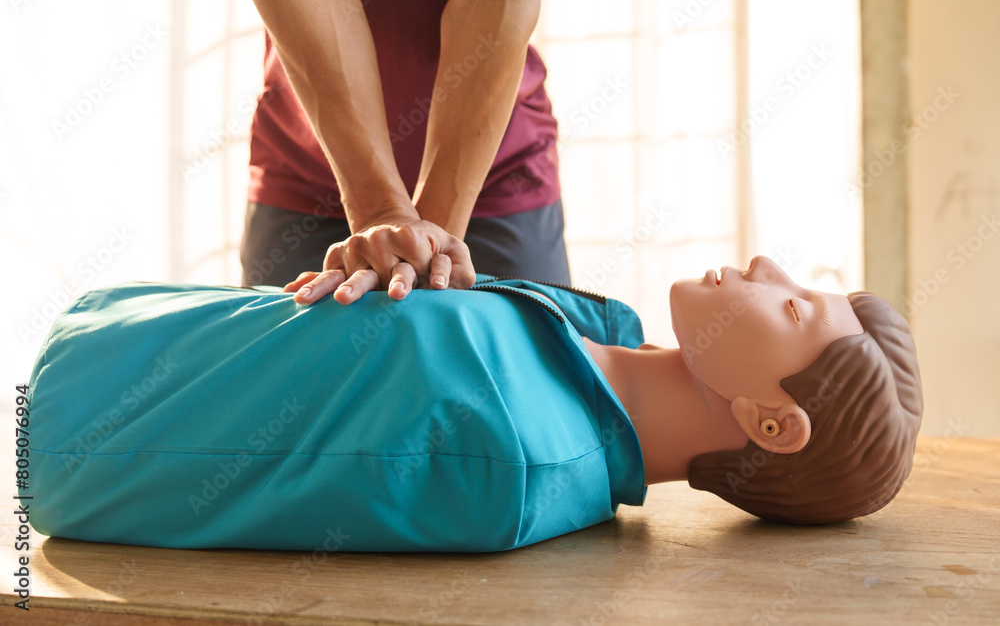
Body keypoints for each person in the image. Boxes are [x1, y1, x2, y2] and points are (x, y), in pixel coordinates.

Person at [21, 257, 921, 552]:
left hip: (60, 422)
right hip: (110, 323)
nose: (767, 268)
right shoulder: (588, 325)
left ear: (772, 422)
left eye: (796, 307)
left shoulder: (509, 458)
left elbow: (248, 472)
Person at [239, 0, 569, 307]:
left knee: (531, 359)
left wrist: (428, 246)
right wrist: (379, 212)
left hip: (498, 179)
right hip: (307, 178)